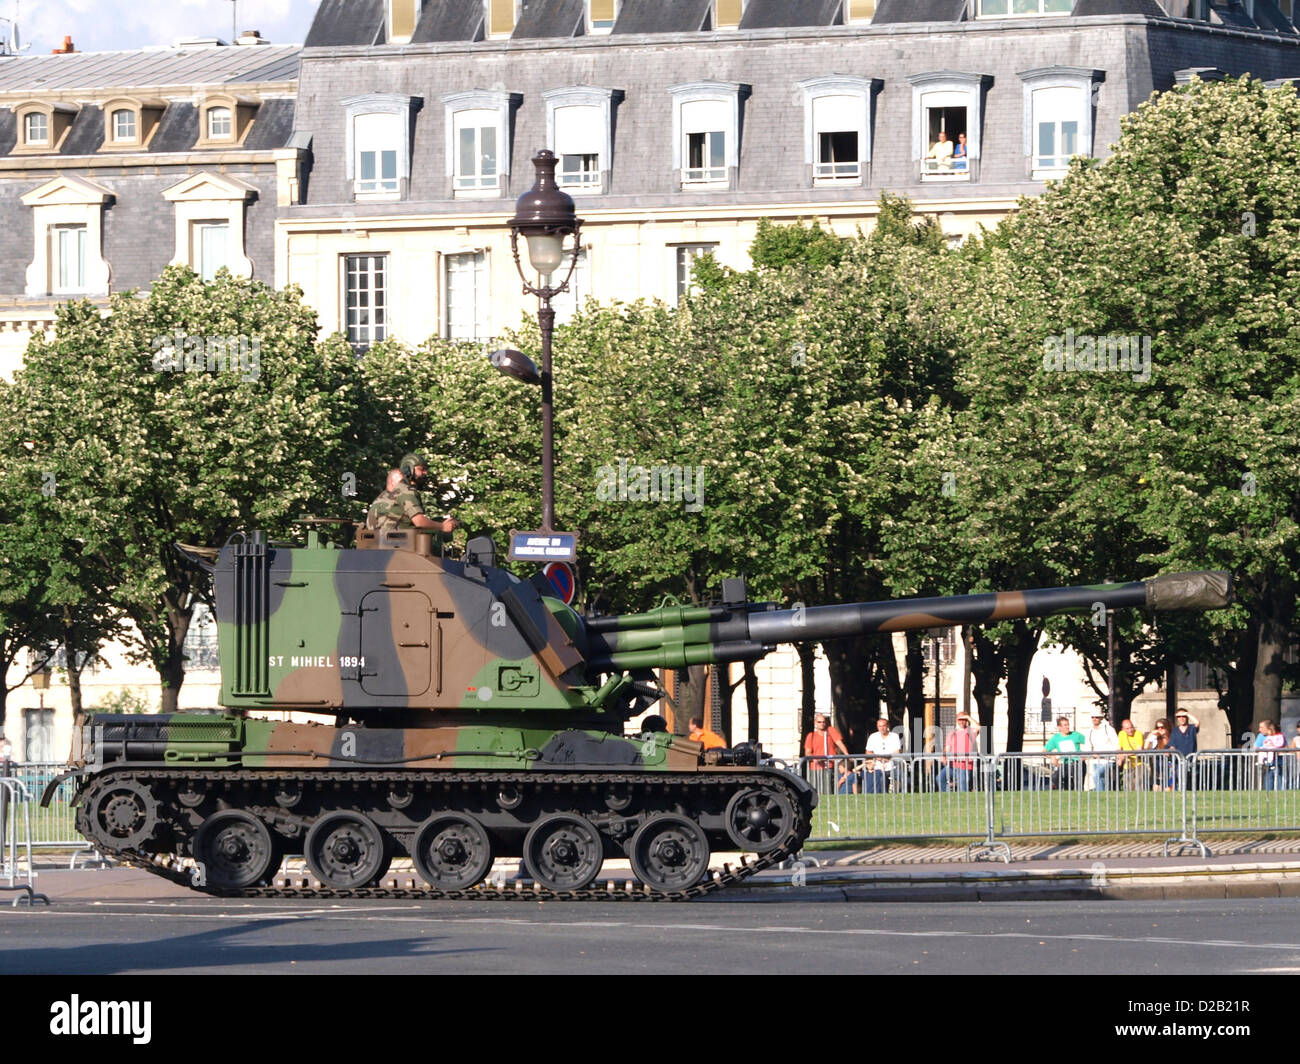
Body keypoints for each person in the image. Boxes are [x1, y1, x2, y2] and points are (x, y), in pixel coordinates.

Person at [366, 455, 458, 535]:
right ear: (408, 469)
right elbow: (419, 522)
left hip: (378, 544)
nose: (425, 473)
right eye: (422, 469)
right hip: (397, 544)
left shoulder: (386, 493)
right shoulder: (406, 491)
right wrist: (442, 526)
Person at [804, 713, 849, 793]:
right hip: (815, 767)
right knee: (816, 791)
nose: (822, 724)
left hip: (830, 766)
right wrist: (815, 758)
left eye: (823, 722)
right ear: (815, 723)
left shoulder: (831, 731)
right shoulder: (811, 735)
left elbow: (839, 743)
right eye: (819, 722)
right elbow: (808, 752)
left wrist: (847, 755)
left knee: (828, 790)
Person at [858, 717, 902, 795]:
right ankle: (882, 798)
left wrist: (889, 757)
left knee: (905, 779)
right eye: (880, 726)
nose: (882, 728)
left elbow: (898, 750)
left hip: (892, 766)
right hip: (877, 766)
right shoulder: (873, 736)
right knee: (881, 782)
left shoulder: (894, 736)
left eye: (883, 726)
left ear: (887, 726)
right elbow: (868, 751)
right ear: (877, 727)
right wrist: (877, 757)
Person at [937, 712, 978, 792]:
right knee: (939, 779)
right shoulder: (952, 733)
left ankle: (964, 802)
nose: (961, 721)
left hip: (965, 766)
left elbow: (979, 727)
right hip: (953, 765)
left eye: (964, 719)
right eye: (960, 719)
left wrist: (968, 717)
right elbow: (947, 747)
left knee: (963, 788)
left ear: (966, 720)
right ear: (956, 720)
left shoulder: (970, 731)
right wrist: (944, 755)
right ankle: (948, 797)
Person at [1045, 716, 1085, 790]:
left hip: (1077, 763)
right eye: (1065, 725)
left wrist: (1085, 755)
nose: (1067, 727)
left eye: (1068, 724)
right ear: (1059, 727)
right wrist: (1053, 757)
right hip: (1065, 764)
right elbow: (1045, 751)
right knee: (1055, 777)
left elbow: (1089, 743)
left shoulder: (1076, 735)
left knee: (1078, 785)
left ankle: (1078, 795)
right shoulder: (1056, 738)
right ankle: (1063, 793)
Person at [1083, 712, 1119, 791]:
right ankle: (1102, 797)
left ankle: (1099, 796)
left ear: (1101, 718)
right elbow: (1087, 746)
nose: (1094, 719)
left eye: (1097, 717)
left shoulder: (1108, 729)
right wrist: (1091, 754)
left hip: (1108, 760)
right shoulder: (1089, 731)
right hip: (1095, 760)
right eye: (1093, 717)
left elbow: (1116, 745)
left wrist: (1104, 754)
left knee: (1096, 775)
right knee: (1100, 779)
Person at [1167, 710, 1199, 789]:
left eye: (1183, 716)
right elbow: (1172, 745)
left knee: (1189, 781)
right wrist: (1169, 752)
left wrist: (1187, 714)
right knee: (1178, 777)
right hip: (1178, 761)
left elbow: (1197, 722)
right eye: (1179, 717)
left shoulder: (1192, 728)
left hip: (1190, 759)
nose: (1181, 718)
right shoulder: (1175, 730)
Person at [1254, 719, 1284, 791]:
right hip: (1267, 764)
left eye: (1261, 727)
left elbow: (1284, 747)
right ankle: (1268, 795)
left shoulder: (1278, 735)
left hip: (1278, 763)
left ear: (1268, 728)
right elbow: (1256, 748)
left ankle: (1280, 795)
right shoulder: (1261, 736)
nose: (1259, 730)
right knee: (1268, 779)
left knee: (1278, 778)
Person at [1116, 718, 1145, 790]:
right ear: (1123, 729)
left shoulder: (1138, 733)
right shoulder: (1121, 734)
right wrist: (1119, 758)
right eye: (1127, 728)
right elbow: (1119, 748)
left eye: (1131, 727)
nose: (1130, 730)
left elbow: (1139, 749)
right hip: (1127, 765)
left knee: (1139, 786)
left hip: (1139, 763)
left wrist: (1125, 755)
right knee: (1128, 786)